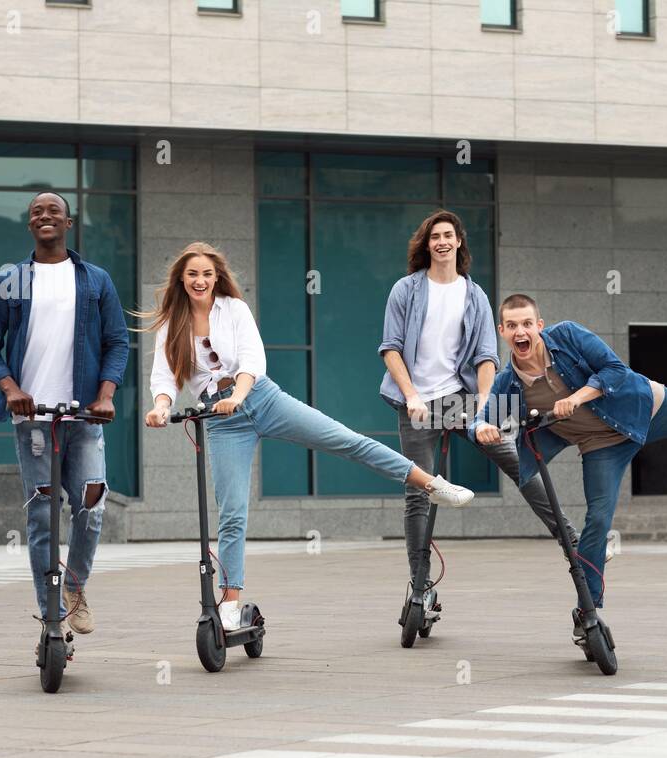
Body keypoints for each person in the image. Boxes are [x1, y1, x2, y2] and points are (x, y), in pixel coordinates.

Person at [144, 242, 475, 632]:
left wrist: (237, 394)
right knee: (232, 512)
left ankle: (432, 484)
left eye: (207, 274)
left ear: (217, 278)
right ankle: (230, 602)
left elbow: (252, 359)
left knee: (347, 441)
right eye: (192, 274)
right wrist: (161, 407)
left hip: (261, 398)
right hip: (220, 420)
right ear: (181, 280)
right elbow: (164, 377)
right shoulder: (172, 324)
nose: (200, 281)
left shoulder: (233, 309)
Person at [473, 294, 667, 624]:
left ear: (539, 326)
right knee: (598, 519)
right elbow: (483, 417)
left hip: (644, 408)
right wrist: (481, 429)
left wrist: (575, 398)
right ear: (502, 330)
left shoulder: (566, 336)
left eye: (527, 324)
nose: (521, 332)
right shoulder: (509, 384)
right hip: (600, 444)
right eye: (513, 326)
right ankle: (588, 609)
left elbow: (615, 369)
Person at [379, 210, 575, 606]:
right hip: (416, 402)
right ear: (426, 244)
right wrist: (412, 395)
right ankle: (420, 588)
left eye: (449, 235)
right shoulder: (406, 289)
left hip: (461, 399)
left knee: (521, 463)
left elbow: (487, 357)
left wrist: (485, 406)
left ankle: (573, 543)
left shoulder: (474, 294)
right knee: (419, 492)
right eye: (435, 236)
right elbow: (391, 348)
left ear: (459, 243)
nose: (442, 241)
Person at [0, 191, 128, 655]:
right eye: (36, 212)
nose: (45, 216)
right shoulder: (12, 280)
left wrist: (105, 396)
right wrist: (11, 389)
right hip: (33, 422)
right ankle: (51, 616)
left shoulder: (96, 280)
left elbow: (117, 343)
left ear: (69, 222)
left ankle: (74, 587)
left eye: (53, 211)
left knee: (92, 506)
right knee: (43, 517)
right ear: (29, 226)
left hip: (83, 416)